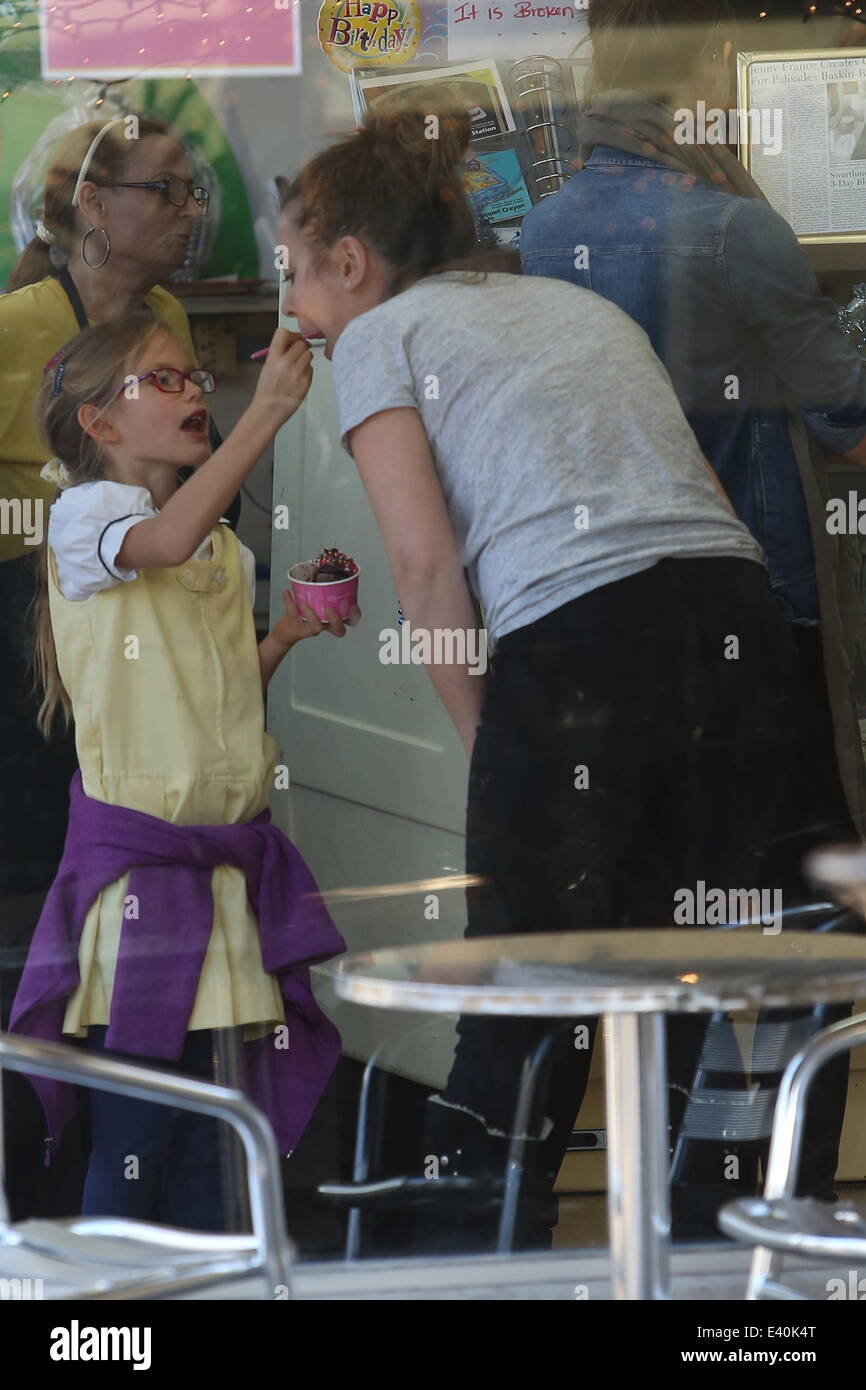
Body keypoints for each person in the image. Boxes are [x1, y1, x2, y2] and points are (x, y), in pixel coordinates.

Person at [274, 92, 799, 1249]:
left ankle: (478, 1257)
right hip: (733, 616)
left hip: (579, 642)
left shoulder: (379, 338)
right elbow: (702, 500)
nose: (293, 310)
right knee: (709, 963)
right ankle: (719, 1264)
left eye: (296, 277)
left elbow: (421, 567)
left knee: (529, 972)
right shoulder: (570, 306)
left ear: (350, 263)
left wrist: (488, 744)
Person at [519, 0, 866, 1207]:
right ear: (706, 91)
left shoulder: (539, 231)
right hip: (760, 605)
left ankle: (656, 1205)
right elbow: (844, 415)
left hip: (603, 615)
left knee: (663, 911)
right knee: (793, 928)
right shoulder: (734, 231)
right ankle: (764, 1202)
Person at [9, 313, 359, 1228]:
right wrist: (269, 413)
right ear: (99, 423)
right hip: (146, 891)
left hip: (222, 881)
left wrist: (279, 636)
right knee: (137, 1145)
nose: (195, 390)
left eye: (196, 375)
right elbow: (157, 541)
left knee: (218, 1146)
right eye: (162, 379)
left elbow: (218, 687)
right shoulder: (87, 516)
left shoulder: (215, 543)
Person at [0, 113, 234, 1219]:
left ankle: (127, 1191)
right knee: (46, 896)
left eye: (191, 192)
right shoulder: (15, 326)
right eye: (169, 191)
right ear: (92, 204)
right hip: (32, 626)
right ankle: (47, 1192)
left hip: (135, 641)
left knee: (129, 913)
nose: (190, 213)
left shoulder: (165, 319)